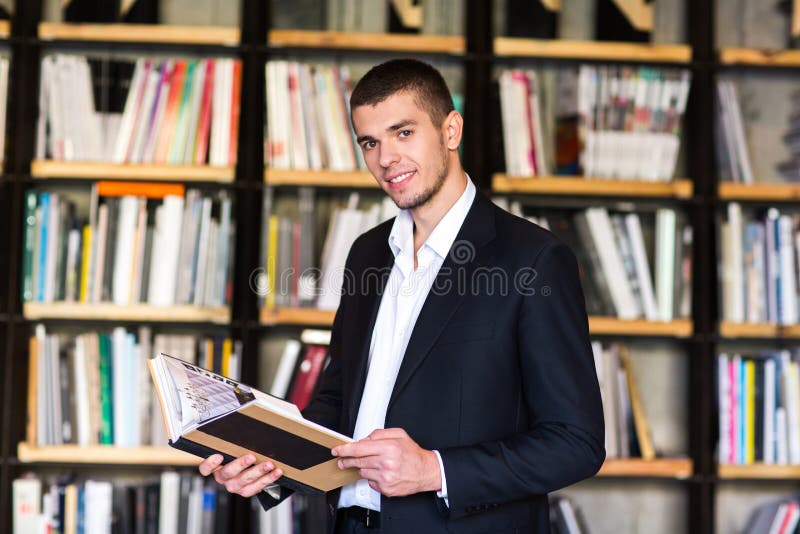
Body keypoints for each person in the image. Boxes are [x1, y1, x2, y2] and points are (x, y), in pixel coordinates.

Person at [199, 58, 605, 533]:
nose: (385, 158)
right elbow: (338, 400)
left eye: (403, 132)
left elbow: (576, 442)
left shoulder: (534, 259)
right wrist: (272, 463)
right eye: (370, 142)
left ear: (450, 130)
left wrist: (434, 471)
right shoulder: (367, 253)